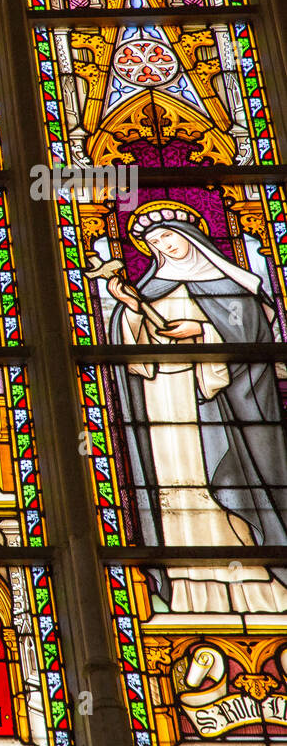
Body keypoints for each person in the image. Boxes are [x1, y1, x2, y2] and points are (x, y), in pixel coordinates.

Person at [108, 203, 287, 614]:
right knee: (178, 486)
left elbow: (254, 339)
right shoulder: (152, 287)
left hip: (216, 403)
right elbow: (134, 355)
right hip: (163, 403)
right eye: (154, 243)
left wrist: (203, 332)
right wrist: (132, 309)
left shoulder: (231, 286)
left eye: (168, 236)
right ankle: (189, 587)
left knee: (222, 480)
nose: (164, 247)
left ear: (189, 237)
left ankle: (256, 583)